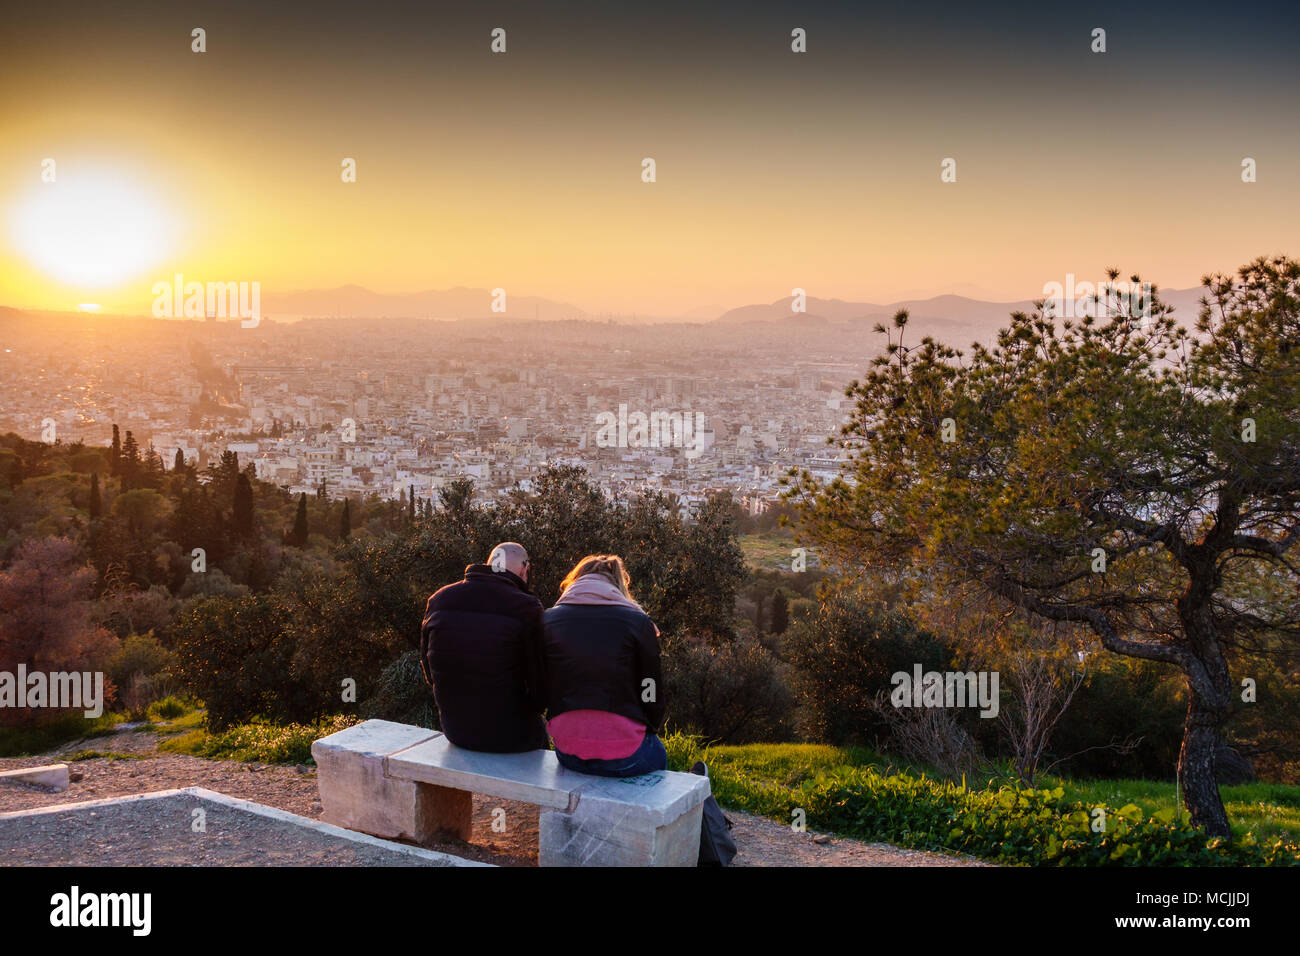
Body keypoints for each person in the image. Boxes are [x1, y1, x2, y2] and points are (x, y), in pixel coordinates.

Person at [541, 554, 667, 777]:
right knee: (657, 754)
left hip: (568, 752)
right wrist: (651, 724)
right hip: (627, 755)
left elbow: (540, 684)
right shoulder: (637, 622)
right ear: (618, 584)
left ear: (575, 581)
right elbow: (650, 685)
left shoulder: (548, 620)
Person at [419, 542, 548, 753]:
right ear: (525, 569)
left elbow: (428, 666)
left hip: (457, 731)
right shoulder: (526, 607)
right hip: (514, 737)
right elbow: (539, 682)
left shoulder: (439, 599)